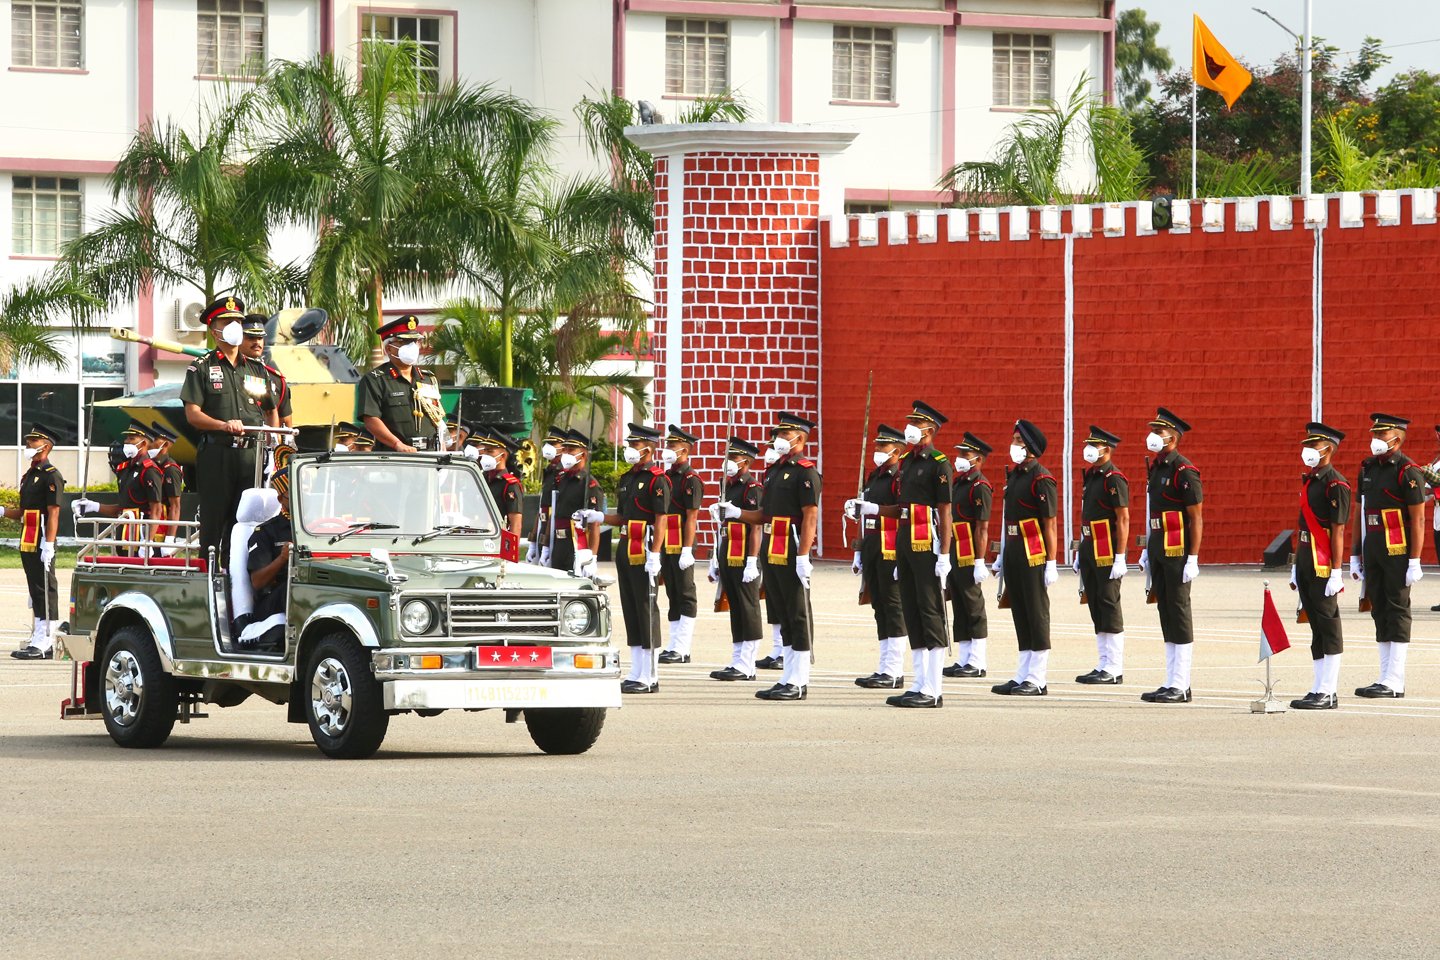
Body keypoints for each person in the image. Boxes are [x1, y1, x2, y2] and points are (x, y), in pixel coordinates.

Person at [851, 401, 952, 708]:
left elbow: (945, 513)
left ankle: (933, 689)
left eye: (916, 424)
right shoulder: (907, 462)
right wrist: (871, 509)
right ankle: (919, 683)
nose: (909, 428)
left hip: (927, 546)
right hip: (906, 544)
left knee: (930, 613)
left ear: (929, 430)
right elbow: (902, 510)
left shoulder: (939, 463)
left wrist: (944, 554)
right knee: (912, 611)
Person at [722, 413, 820, 702]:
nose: (779, 437)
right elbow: (764, 515)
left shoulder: (806, 472)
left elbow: (810, 517)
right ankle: (787, 676)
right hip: (771, 547)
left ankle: (800, 680)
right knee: (782, 612)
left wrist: (804, 555)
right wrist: (736, 513)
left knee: (798, 613)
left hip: (791, 545)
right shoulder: (774, 471)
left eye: (785, 433)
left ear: (800, 438)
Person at [574, 424, 671, 694]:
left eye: (634, 444)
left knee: (645, 607)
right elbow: (624, 518)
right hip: (627, 546)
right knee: (630, 607)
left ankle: (650, 674)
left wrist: (655, 554)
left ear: (648, 448)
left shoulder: (657, 479)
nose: (629, 448)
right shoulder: (628, 478)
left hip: (645, 547)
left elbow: (661, 520)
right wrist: (599, 517)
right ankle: (636, 670)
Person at [178, 296, 274, 559]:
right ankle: (208, 580)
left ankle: (237, 581)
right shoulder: (202, 368)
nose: (235, 326)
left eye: (238, 321)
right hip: (217, 454)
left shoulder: (255, 370)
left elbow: (269, 409)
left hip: (251, 456)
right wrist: (223, 425)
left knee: (244, 523)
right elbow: (193, 415)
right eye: (228, 321)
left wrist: (273, 448)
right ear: (214, 328)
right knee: (213, 523)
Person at [1351, 413, 1427, 699]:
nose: (1376, 440)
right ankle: (1383, 676)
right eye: (1374, 435)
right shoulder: (1368, 467)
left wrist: (1415, 560)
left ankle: (1395, 680)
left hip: (1398, 548)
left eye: (1381, 435)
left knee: (1396, 608)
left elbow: (1418, 519)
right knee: (1379, 608)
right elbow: (1360, 513)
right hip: (1373, 545)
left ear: (1396, 437)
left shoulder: (1408, 471)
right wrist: (1355, 555)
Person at [1139, 408, 1203, 704]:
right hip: (1159, 546)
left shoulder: (1183, 470)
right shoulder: (1158, 467)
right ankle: (1170, 681)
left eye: (1159, 432)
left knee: (1178, 612)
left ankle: (1182, 683)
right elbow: (1153, 513)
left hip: (1178, 551)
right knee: (1165, 611)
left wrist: (1193, 558)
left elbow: (1195, 518)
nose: (1152, 436)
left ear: (1172, 438)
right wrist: (1146, 548)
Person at [990, 420, 1058, 696]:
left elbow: (1050, 524)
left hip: (1034, 552)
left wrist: (1051, 562)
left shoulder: (1042, 479)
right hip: (1015, 550)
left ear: (1029, 447)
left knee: (1035, 612)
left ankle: (1037, 677)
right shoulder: (1015, 475)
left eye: (1018, 440)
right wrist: (1001, 556)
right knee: (1019, 611)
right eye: (1014, 439)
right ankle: (1022, 673)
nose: (1014, 444)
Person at [1291, 422, 1351, 710]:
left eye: (1314, 446)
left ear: (1328, 449)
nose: (1308, 450)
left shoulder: (1335, 484)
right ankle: (1317, 687)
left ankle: (1328, 690)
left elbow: (1338, 531)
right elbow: (1302, 525)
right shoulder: (1310, 480)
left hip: (1324, 561)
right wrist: (1295, 563)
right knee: (1315, 622)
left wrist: (1337, 571)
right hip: (1305, 557)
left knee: (1328, 624)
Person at [850, 423, 908, 689]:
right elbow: (866, 520)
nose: (877, 450)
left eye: (882, 447)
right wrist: (859, 550)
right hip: (873, 545)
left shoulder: (899, 478)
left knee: (893, 607)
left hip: (891, 547)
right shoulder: (874, 477)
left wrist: (874, 507)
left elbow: (902, 511)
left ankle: (894, 670)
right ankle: (883, 667)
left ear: (896, 450)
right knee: (879, 608)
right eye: (875, 446)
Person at [1074, 426, 1130, 685]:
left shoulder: (1113, 478)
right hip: (1090, 545)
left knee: (1108, 603)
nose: (1089, 449)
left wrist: (1120, 556)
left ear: (1106, 449)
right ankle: (1102, 662)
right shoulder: (1093, 476)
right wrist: (1080, 550)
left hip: (1107, 548)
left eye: (1094, 445)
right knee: (1096, 604)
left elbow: (1123, 518)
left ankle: (1114, 667)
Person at [708, 436, 765, 681]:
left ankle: (748, 663)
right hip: (728, 551)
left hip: (744, 555)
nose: (727, 461)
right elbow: (723, 526)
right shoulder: (727, 485)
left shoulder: (753, 489)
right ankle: (737, 659)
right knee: (734, 608)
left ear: (745, 461)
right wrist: (715, 558)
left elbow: (757, 527)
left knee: (748, 607)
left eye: (732, 457)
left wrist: (752, 560)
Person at [5, 424, 63, 659]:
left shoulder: (51, 475)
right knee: (35, 587)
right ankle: (39, 634)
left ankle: (46, 638)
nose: (28, 445)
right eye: (29, 441)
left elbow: (54, 513)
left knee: (45, 587)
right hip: (27, 538)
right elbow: (22, 511)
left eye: (33, 441)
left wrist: (48, 544)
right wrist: (2, 511)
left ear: (46, 446)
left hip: (41, 537)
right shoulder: (30, 475)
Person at [943, 432, 994, 679]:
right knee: (959, 605)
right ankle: (964, 659)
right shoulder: (958, 482)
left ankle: (977, 661)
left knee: (973, 605)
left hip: (970, 551)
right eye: (959, 454)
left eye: (965, 454)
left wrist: (980, 561)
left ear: (978, 459)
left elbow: (982, 527)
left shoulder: (980, 486)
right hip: (954, 548)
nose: (959, 458)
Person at [72, 420, 166, 554]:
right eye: (126, 438)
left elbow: (156, 510)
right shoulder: (124, 469)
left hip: (141, 535)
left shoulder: (149, 470)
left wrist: (147, 543)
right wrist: (93, 506)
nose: (126, 441)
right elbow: (122, 509)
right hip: (123, 534)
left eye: (132, 438)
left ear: (144, 443)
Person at [358, 315, 443, 452]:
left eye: (414, 341)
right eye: (403, 342)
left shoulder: (427, 378)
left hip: (429, 455)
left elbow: (437, 417)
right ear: (389, 349)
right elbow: (371, 419)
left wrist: (442, 448)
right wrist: (397, 444)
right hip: (395, 457)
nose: (411, 347)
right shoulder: (375, 380)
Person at [658, 424, 705, 665]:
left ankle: (683, 647)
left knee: (685, 592)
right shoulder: (665, 477)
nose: (668, 449)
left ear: (684, 450)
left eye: (672, 446)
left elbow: (692, 517)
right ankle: (673, 644)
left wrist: (687, 549)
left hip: (682, 542)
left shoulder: (691, 479)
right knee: (672, 592)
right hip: (667, 540)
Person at [243, 466, 293, 651]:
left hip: (302, 592)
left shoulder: (314, 528)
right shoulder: (265, 532)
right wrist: (282, 559)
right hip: (273, 598)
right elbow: (257, 582)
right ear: (280, 499)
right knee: (295, 588)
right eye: (293, 495)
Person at [550, 430, 602, 577]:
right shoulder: (562, 478)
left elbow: (594, 525)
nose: (566, 453)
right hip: (559, 544)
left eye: (571, 450)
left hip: (576, 545)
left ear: (583, 455)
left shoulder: (589, 484)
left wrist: (592, 557)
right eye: (565, 449)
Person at [755, 441, 787, 671]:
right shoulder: (770, 476)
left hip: (787, 544)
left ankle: (787, 650)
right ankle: (778, 648)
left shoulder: (797, 475)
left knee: (788, 601)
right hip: (770, 542)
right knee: (774, 599)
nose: (769, 453)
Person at [242, 313, 292, 428]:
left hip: (267, 442)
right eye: (250, 338)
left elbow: (286, 423)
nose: (257, 343)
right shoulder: (230, 372)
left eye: (260, 338)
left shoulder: (276, 379)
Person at [529, 428, 566, 565]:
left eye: (553, 443)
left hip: (553, 531)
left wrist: (546, 546)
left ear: (563, 447)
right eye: (548, 443)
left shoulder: (563, 474)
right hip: (542, 528)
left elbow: (554, 510)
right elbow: (541, 508)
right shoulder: (550, 471)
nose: (548, 447)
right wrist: (533, 540)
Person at [146, 422, 186, 525]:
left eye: (154, 439)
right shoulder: (149, 464)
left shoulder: (170, 469)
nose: (150, 443)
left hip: (161, 526)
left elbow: (175, 507)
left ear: (166, 444)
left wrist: (170, 538)